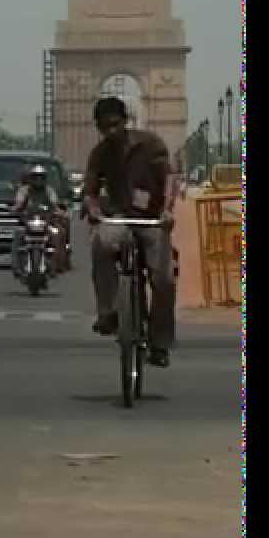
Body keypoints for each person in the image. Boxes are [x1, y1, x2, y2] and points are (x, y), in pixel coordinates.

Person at [83, 97, 177, 367]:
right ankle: (108, 311)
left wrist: (168, 209)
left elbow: (169, 177)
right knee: (101, 244)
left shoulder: (151, 145)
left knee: (164, 280)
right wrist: (92, 209)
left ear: (125, 121)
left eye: (114, 124)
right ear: (98, 127)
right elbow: (90, 190)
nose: (110, 131)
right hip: (120, 219)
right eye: (104, 127)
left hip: (151, 219)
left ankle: (160, 342)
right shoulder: (99, 154)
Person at [11, 163, 68, 274]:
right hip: (27, 223)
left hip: (45, 223)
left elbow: (54, 205)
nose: (38, 180)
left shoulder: (49, 191)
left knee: (58, 233)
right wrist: (16, 209)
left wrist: (60, 213)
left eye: (41, 177)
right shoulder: (24, 190)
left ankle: (56, 265)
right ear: (31, 178)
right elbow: (19, 203)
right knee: (17, 234)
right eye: (35, 177)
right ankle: (16, 266)